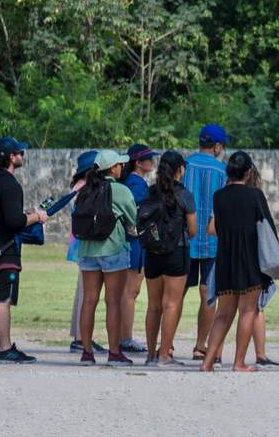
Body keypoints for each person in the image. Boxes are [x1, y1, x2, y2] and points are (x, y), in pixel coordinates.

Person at [0, 136, 47, 363]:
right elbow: (14, 221)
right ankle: (5, 349)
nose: (23, 156)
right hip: (5, 250)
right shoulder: (10, 184)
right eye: (20, 153)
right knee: (2, 299)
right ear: (11, 157)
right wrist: (36, 217)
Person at [201, 151, 277, 372]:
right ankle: (239, 362)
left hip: (225, 258)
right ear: (249, 171)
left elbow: (218, 227)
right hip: (250, 260)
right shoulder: (255, 196)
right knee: (248, 311)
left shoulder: (218, 197)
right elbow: (268, 228)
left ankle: (207, 362)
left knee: (223, 314)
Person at [75, 150, 139, 367]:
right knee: (113, 301)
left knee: (89, 300)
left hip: (87, 250)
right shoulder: (120, 190)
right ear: (112, 168)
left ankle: (86, 352)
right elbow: (133, 220)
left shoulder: (85, 190)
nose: (122, 168)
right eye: (120, 165)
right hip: (112, 249)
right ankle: (114, 352)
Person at [142, 150, 197, 366]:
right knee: (171, 304)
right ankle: (164, 354)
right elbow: (192, 230)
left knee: (153, 305)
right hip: (176, 253)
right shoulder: (185, 195)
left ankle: (149, 355)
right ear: (179, 170)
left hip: (152, 253)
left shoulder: (151, 192)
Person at [183, 123, 228, 362]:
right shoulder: (222, 171)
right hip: (212, 241)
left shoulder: (185, 166)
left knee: (175, 295)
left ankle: (166, 345)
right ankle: (201, 345)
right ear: (217, 146)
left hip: (184, 240)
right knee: (208, 294)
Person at [118, 142, 158, 354]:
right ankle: (125, 338)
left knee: (129, 290)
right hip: (134, 242)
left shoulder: (133, 181)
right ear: (138, 162)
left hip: (132, 241)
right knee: (130, 291)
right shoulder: (137, 184)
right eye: (149, 158)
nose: (152, 162)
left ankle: (123, 336)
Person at [65, 149, 106, 355]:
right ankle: (82, 337)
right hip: (85, 245)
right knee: (85, 292)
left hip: (79, 244)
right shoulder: (85, 189)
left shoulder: (78, 187)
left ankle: (79, 335)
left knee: (82, 291)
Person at [242, 162, 279, 367]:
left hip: (233, 256)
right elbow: (268, 226)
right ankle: (260, 354)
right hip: (255, 256)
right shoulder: (256, 196)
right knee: (256, 308)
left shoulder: (225, 195)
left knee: (227, 309)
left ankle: (217, 353)